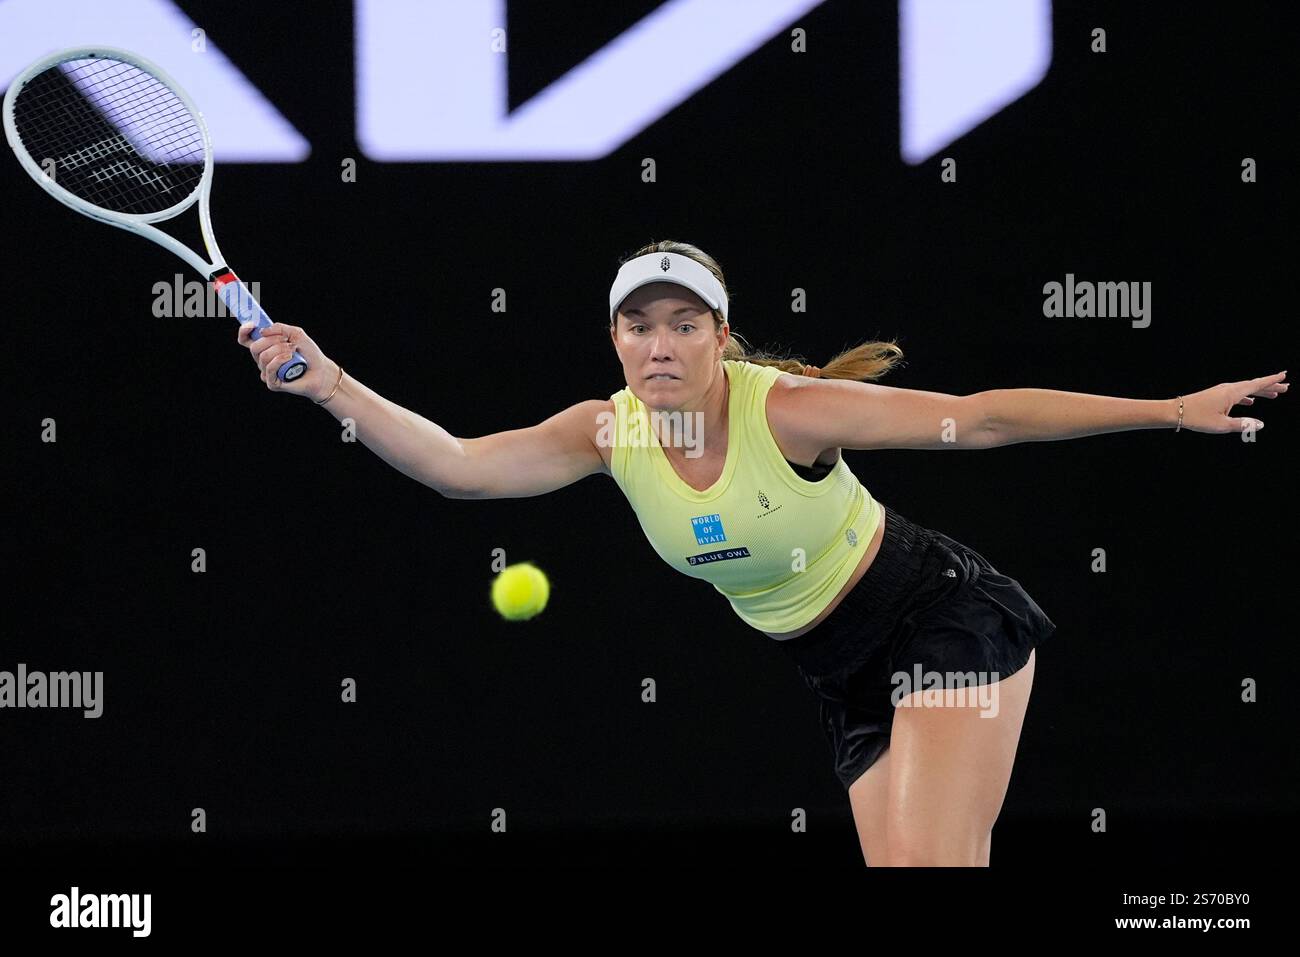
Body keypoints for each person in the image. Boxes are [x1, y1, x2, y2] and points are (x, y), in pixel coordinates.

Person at [237, 239, 1288, 866]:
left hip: (941, 617)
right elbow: (458, 465)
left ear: (722, 339)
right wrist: (331, 385)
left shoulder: (790, 411)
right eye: (637, 324)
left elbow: (984, 419)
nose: (659, 344)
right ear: (614, 343)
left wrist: (1166, 409)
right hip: (839, 675)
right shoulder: (605, 433)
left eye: (684, 324)